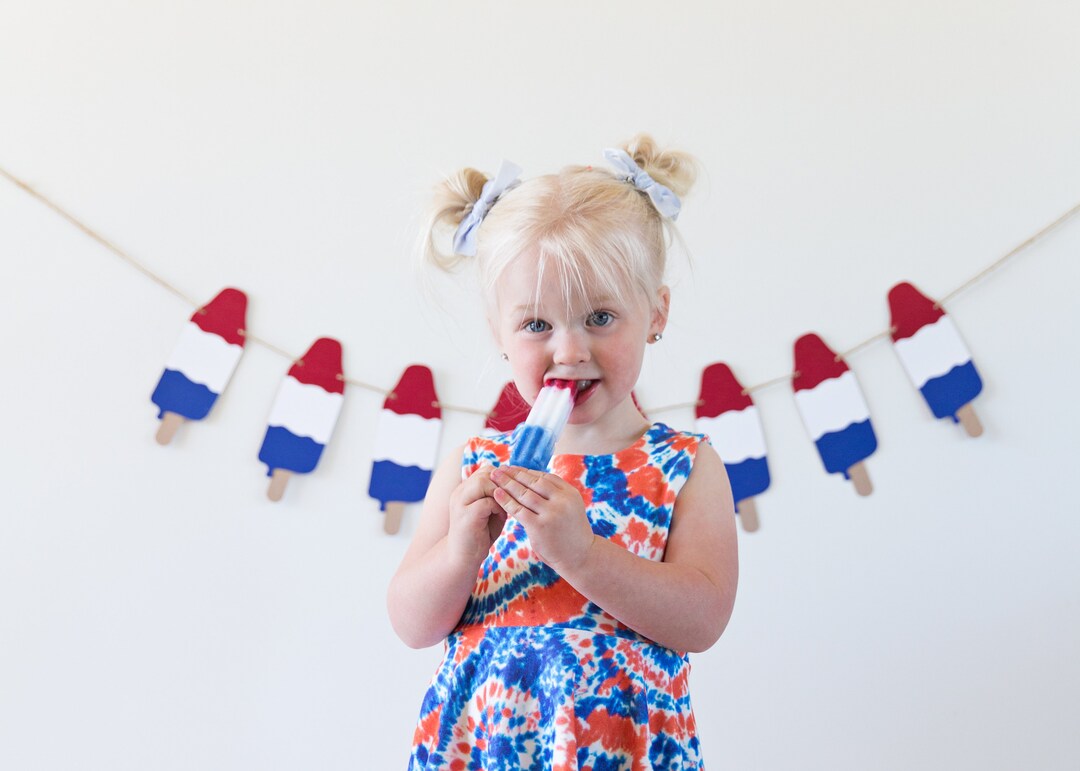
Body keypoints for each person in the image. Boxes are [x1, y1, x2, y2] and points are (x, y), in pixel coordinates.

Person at [387, 134, 739, 770]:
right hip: (483, 744)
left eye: (600, 317)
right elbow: (412, 623)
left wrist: (583, 554)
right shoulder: (476, 465)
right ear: (499, 330)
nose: (569, 350)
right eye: (537, 324)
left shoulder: (685, 465)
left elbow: (702, 619)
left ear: (655, 312)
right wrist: (464, 548)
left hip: (620, 746)